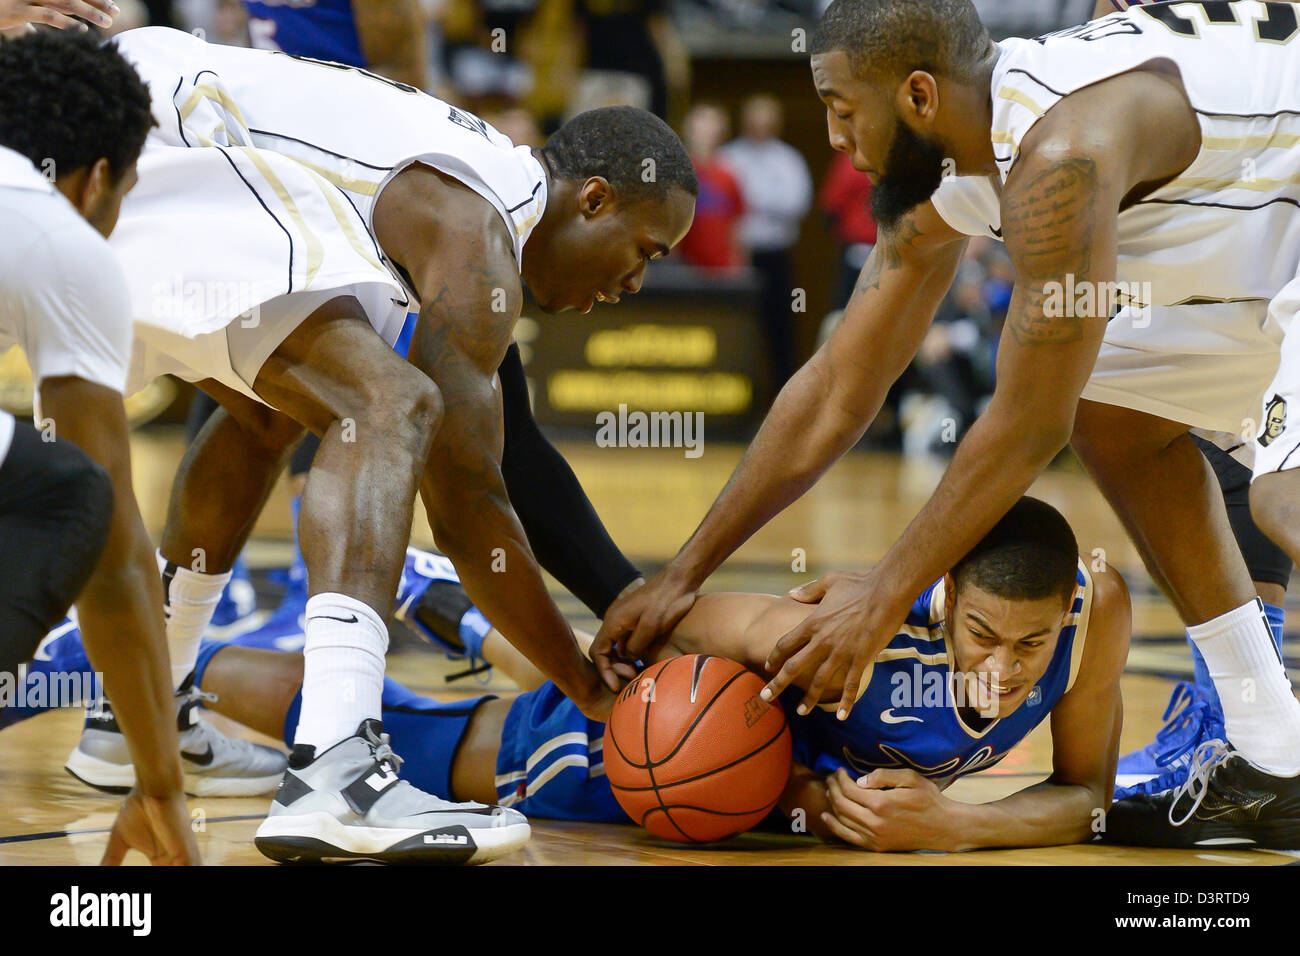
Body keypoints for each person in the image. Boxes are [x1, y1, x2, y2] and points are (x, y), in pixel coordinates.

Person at [594, 0, 1300, 848]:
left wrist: (886, 599)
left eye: (841, 106)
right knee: (1115, 416)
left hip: (1276, 183)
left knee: (1282, 498)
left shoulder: (1059, 157)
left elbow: (1025, 424)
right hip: (1259, 196)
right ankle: (1274, 750)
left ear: (920, 98)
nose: (832, 136)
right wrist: (686, 570)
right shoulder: (972, 164)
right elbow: (837, 385)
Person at [91, 25, 695, 863]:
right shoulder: (476, 229)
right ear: (591, 199)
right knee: (384, 406)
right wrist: (582, 681)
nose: (634, 285)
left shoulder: (461, 211)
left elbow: (509, 464)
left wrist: (611, 613)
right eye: (643, 251)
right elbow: (468, 507)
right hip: (140, 133)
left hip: (116, 145)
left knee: (276, 409)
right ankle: (339, 770)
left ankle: (137, 709)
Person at [15, 498, 1142, 852]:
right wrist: (799, 791)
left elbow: (1088, 796)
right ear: (936, 593)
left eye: (1027, 645)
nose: (1002, 668)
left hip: (764, 803)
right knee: (438, 744)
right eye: (981, 633)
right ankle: (186, 667)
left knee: (468, 701)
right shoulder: (842, 627)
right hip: (678, 740)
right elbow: (640, 641)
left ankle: (441, 600)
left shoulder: (1095, 616)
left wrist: (959, 829)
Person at [0, 30, 200, 865]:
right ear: (98, 179)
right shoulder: (61, 236)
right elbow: (115, 556)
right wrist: (160, 786)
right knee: (71, 493)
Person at [719, 95, 813, 386]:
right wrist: (761, 202)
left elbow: (797, 203)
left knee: (780, 329)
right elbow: (726, 205)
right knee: (738, 327)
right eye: (754, 119)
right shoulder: (728, 157)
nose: (760, 125)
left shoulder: (788, 159)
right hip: (737, 256)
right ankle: (734, 396)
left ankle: (785, 396)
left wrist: (753, 200)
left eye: (766, 119)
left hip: (776, 256)